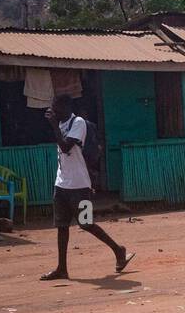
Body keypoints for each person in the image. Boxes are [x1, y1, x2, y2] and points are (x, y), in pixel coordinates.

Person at [40, 97, 133, 280]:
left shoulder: (78, 123)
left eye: (56, 108)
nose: (54, 112)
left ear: (66, 107)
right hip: (61, 185)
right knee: (62, 226)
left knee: (86, 223)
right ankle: (62, 268)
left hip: (80, 186)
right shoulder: (61, 124)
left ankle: (118, 250)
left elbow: (66, 147)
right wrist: (55, 126)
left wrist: (54, 126)